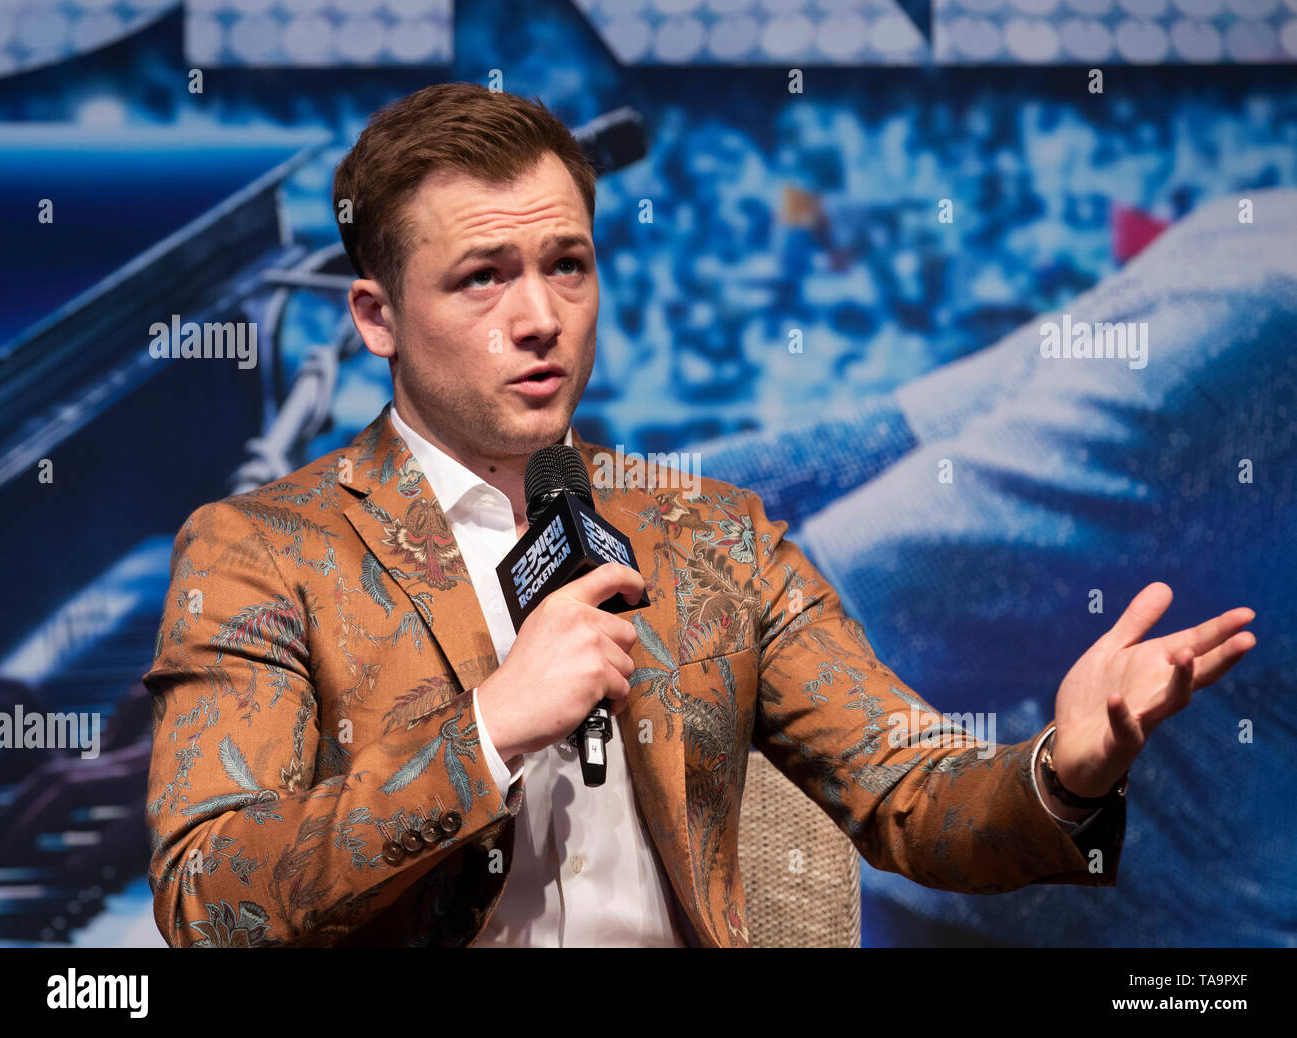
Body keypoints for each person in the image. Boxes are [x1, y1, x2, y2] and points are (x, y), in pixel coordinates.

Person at [142, 82, 1256, 948]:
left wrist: (1064, 769)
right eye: (483, 277)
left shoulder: (708, 534)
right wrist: (489, 731)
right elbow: (209, 904)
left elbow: (909, 796)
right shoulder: (262, 553)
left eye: (566, 265)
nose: (541, 318)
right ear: (376, 319)